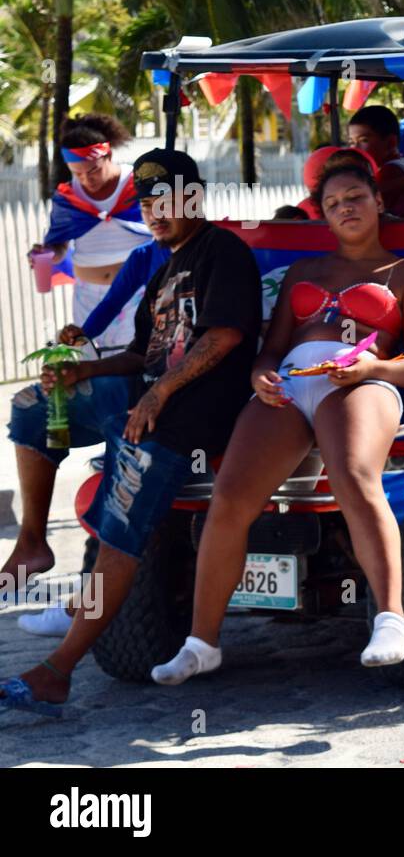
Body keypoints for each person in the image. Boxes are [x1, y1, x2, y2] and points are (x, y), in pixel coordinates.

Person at [150, 163, 404, 683]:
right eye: (332, 203)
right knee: (231, 494)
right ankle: (202, 643)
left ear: (377, 201)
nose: (345, 207)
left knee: (353, 475)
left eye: (355, 196)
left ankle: (392, 617)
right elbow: (273, 350)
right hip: (290, 381)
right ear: (323, 215)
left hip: (363, 382)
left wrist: (368, 367)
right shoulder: (304, 273)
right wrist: (262, 375)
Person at [1, 150, 263, 717]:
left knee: (118, 533)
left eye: (165, 199)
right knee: (32, 403)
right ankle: (33, 542)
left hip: (186, 415)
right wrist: (85, 371)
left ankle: (56, 672)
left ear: (193, 197)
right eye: (146, 202)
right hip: (143, 399)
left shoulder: (224, 253)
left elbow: (223, 338)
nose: (154, 212)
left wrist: (158, 391)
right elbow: (146, 353)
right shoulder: (163, 265)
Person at [39, 114, 150, 350]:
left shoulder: (138, 186)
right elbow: (59, 246)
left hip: (136, 291)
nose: (85, 179)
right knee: (87, 361)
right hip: (86, 295)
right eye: (76, 173)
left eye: (92, 171)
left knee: (132, 360)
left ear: (108, 155)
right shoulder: (68, 198)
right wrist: (46, 254)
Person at [348, 105, 404, 205]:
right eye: (351, 142)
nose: (355, 149)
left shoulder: (392, 171)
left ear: (391, 142)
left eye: (364, 140)